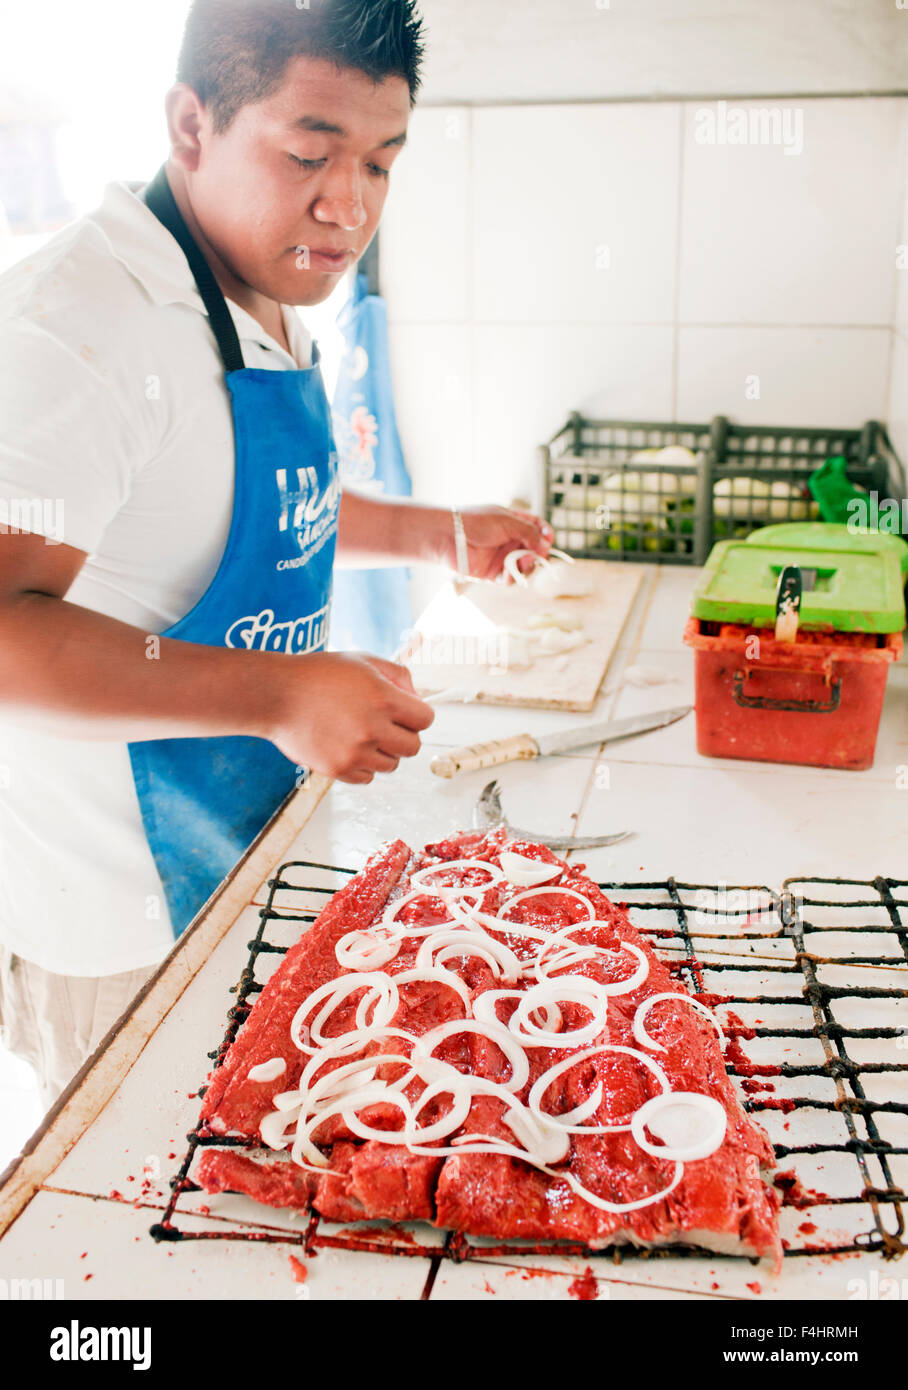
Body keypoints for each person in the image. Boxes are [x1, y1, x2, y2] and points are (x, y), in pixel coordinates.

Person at [0, 0, 552, 1109]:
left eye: (380, 164)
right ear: (191, 125)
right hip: (122, 925)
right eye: (310, 153)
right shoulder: (77, 331)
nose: (348, 205)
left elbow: (252, 503)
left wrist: (439, 532)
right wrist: (282, 690)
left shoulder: (256, 278)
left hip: (246, 852)